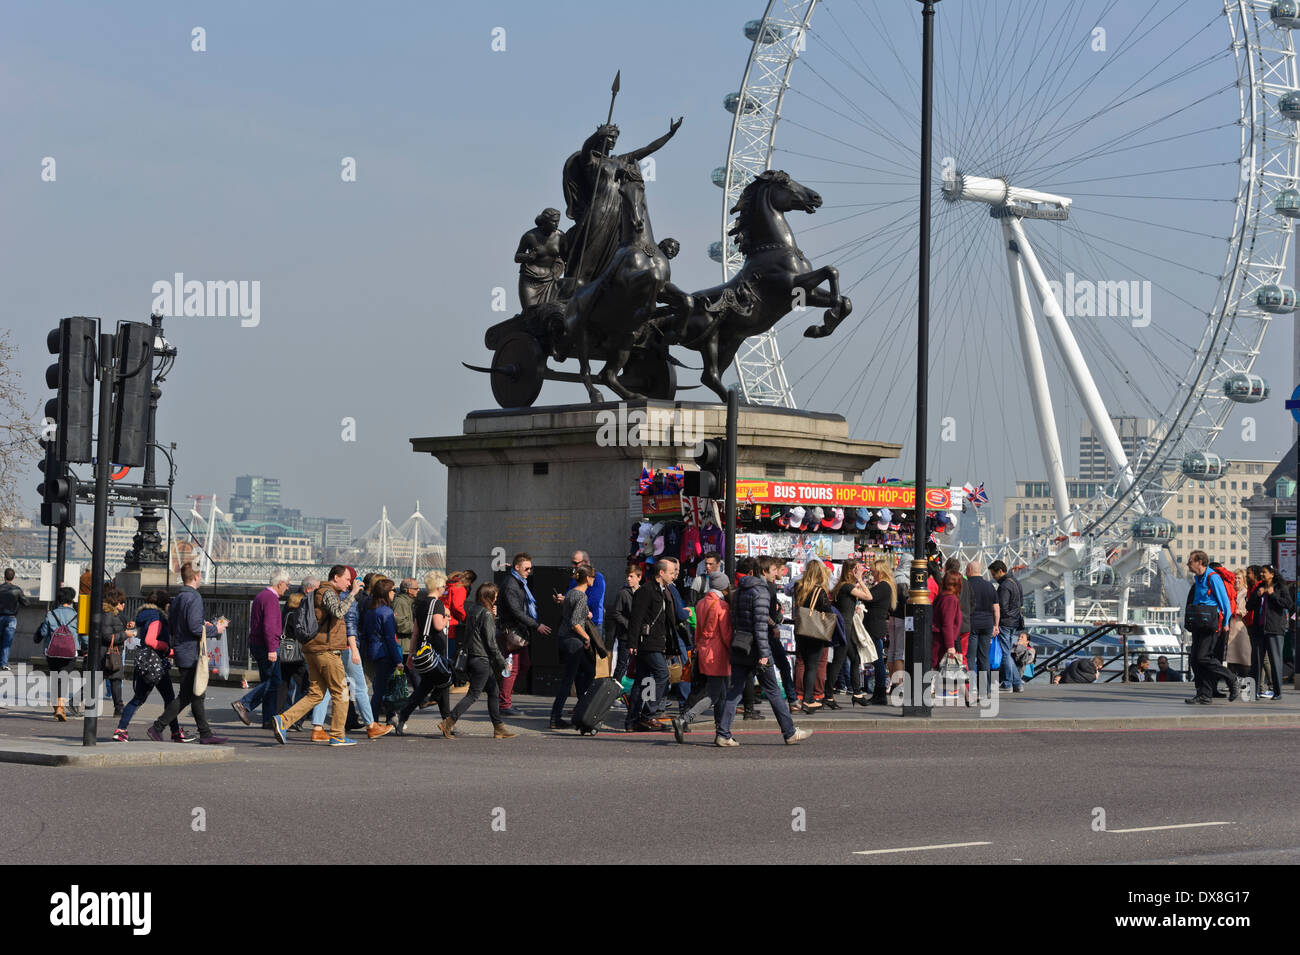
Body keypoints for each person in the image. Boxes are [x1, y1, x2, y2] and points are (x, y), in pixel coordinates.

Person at [716, 559, 811, 746]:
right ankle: (790, 732)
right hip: (756, 648)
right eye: (773, 570)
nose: (774, 573)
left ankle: (723, 733)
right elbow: (759, 626)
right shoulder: (761, 591)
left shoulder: (739, 590)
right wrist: (764, 653)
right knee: (773, 689)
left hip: (740, 644)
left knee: (734, 691)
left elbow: (739, 619)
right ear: (761, 572)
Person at [271, 565, 363, 746]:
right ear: (335, 577)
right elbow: (338, 611)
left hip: (313, 649)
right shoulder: (327, 592)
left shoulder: (320, 592)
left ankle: (283, 720)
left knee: (316, 694)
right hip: (326, 650)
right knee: (341, 692)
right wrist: (352, 594)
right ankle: (337, 735)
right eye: (346, 579)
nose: (349, 583)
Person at [147, 562, 229, 744]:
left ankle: (205, 734)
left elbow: (179, 625)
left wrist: (203, 624)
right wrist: (216, 629)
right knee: (190, 694)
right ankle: (158, 727)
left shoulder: (178, 598)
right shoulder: (194, 598)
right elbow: (194, 628)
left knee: (195, 694)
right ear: (197, 576)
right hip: (191, 653)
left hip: (181, 649)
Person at [438, 583, 516, 740]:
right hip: (482, 659)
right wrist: (502, 662)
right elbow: (491, 642)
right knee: (473, 694)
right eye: (495, 595)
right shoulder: (486, 614)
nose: (497, 598)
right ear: (490, 597)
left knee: (493, 691)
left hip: (473, 657)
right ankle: (449, 721)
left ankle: (498, 727)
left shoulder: (474, 609)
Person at [113, 591, 194, 742]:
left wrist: (170, 652)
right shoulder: (156, 617)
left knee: (139, 698)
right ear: (165, 604)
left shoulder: (145, 616)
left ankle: (121, 730)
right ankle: (175, 733)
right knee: (170, 699)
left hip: (146, 663)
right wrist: (165, 646)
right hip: (156, 665)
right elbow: (151, 641)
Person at [671, 571, 732, 742]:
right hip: (718, 654)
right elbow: (726, 635)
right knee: (714, 694)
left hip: (703, 650)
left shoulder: (701, 603)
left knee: (719, 692)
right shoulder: (722, 606)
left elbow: (697, 629)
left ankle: (721, 730)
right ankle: (685, 719)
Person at [625, 557, 680, 731]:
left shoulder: (664, 590)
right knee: (662, 675)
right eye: (671, 573)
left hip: (658, 642)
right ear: (661, 573)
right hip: (647, 643)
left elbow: (667, 621)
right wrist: (632, 642)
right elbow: (636, 618)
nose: (674, 576)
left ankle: (633, 721)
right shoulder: (647, 590)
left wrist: (671, 646)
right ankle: (648, 715)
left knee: (642, 680)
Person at [232, 570, 291, 729]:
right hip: (267, 646)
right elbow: (269, 626)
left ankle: (268, 719)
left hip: (258, 644)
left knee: (268, 681)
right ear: (280, 584)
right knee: (275, 681)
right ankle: (244, 704)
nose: (287, 588)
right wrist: (272, 648)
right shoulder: (271, 599)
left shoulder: (261, 596)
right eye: (287, 585)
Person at [395, 571, 452, 731]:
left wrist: (411, 654)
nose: (445, 589)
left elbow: (415, 631)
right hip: (434, 651)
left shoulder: (420, 604)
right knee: (444, 682)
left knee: (425, 688)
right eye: (444, 586)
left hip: (422, 649)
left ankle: (403, 716)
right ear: (439, 587)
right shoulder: (437, 604)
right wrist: (447, 617)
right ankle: (447, 723)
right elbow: (438, 625)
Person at [1182, 549, 1239, 705]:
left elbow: (1225, 602)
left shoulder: (1213, 578)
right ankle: (1203, 694)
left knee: (1203, 657)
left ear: (1200, 562)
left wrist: (1226, 623)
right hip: (1198, 623)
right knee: (1195, 659)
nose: (1188, 564)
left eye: (1190, 561)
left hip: (1211, 624)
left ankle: (1231, 678)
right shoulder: (1198, 579)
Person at [497, 553, 551, 714]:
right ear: (517, 568)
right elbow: (516, 611)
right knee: (512, 668)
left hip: (519, 632)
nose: (529, 571)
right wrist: (537, 625)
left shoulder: (519, 582)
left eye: (530, 568)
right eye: (526, 568)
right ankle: (504, 703)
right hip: (512, 632)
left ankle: (504, 694)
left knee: (524, 665)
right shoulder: (511, 585)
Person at [551, 562, 603, 728]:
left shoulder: (572, 593)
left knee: (587, 672)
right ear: (587, 578)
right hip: (574, 641)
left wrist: (586, 613)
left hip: (564, 638)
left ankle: (583, 711)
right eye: (593, 577)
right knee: (569, 680)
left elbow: (573, 612)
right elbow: (574, 622)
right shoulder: (582, 596)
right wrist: (587, 637)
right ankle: (555, 717)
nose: (594, 579)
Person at [792, 560, 836, 714]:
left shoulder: (799, 587)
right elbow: (827, 610)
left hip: (800, 631)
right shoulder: (820, 591)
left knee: (802, 663)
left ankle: (802, 695)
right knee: (812, 666)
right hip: (814, 632)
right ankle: (808, 700)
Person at [1247, 564, 1292, 701]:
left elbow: (1289, 604)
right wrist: (1257, 596)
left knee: (1275, 661)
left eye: (1264, 572)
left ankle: (1277, 692)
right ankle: (1254, 692)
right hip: (1259, 629)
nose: (1262, 574)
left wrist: (1272, 595)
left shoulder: (1280, 587)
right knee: (1257, 661)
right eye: (1261, 572)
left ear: (1272, 574)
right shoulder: (1259, 587)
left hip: (1274, 629)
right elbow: (1249, 606)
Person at [36, 586, 82, 721]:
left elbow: (44, 633)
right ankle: (60, 707)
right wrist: (84, 648)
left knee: (55, 677)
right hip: (70, 651)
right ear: (72, 599)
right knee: (64, 677)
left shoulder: (51, 614)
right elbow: (83, 636)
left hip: (52, 651)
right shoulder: (76, 615)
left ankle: (58, 707)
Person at [832, 560, 873, 706]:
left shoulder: (843, 586)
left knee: (854, 659)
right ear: (851, 571)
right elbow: (869, 597)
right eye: (857, 569)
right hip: (845, 627)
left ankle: (857, 693)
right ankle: (828, 696)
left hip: (845, 627)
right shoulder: (847, 586)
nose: (860, 570)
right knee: (838, 661)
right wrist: (860, 580)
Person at [363, 578, 402, 724]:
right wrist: (398, 660)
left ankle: (377, 719)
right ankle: (377, 721)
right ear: (386, 592)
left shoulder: (371, 611)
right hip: (385, 653)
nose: (394, 593)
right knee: (384, 689)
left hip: (374, 652)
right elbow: (390, 638)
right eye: (393, 590)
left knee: (379, 688)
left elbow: (366, 634)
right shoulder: (387, 612)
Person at [514, 207, 566, 307]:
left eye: (558, 221)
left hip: (550, 280)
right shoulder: (530, 236)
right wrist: (528, 257)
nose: (557, 224)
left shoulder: (560, 236)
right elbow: (517, 257)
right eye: (553, 222)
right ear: (545, 221)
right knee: (530, 312)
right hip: (530, 280)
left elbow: (566, 256)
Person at [965, 561, 999, 702]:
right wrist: (996, 625)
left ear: (969, 570)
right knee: (984, 658)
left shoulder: (966, 585)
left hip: (972, 624)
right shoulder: (989, 586)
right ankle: (985, 690)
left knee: (970, 658)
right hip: (987, 624)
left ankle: (971, 688)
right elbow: (996, 608)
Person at [989, 560, 1025, 693]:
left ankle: (1008, 683)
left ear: (1000, 571)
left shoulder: (1004, 586)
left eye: (994, 574)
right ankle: (1017, 683)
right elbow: (1020, 602)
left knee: (1004, 653)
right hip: (1014, 622)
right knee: (1007, 653)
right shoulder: (1016, 582)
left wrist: (996, 621)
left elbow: (1001, 606)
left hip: (1005, 622)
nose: (993, 577)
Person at [607, 563, 640, 685]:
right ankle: (615, 693)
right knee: (622, 664)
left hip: (638, 636)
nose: (628, 578)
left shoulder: (642, 591)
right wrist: (629, 625)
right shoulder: (623, 593)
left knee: (637, 666)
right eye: (628, 576)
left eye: (631, 576)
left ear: (639, 577)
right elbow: (616, 613)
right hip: (625, 636)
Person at [96, 586, 127, 717]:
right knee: (112, 679)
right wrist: (125, 635)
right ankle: (119, 708)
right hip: (108, 654)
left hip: (108, 653)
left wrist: (125, 628)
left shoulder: (112, 615)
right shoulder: (109, 616)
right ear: (116, 603)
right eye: (122, 602)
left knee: (114, 680)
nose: (124, 605)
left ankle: (119, 708)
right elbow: (108, 636)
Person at [932, 571, 963, 687]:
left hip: (938, 638)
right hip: (942, 641)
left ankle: (967, 697)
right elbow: (947, 623)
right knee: (939, 668)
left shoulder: (942, 597)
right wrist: (950, 645)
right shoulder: (950, 599)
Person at [0, 567, 30, 670]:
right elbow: (26, 603)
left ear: (4, 577)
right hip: (11, 618)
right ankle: (4, 664)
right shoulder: (17, 590)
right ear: (13, 577)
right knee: (7, 642)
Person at [444, 569, 475, 661]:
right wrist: (466, 619)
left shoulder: (448, 586)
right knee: (449, 654)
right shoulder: (460, 588)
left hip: (442, 621)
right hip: (450, 624)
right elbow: (458, 607)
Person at [393, 578, 419, 660]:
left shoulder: (410, 602)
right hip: (404, 648)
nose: (418, 590)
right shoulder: (400, 602)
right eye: (416, 588)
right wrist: (418, 627)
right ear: (409, 590)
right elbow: (400, 625)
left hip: (408, 646)